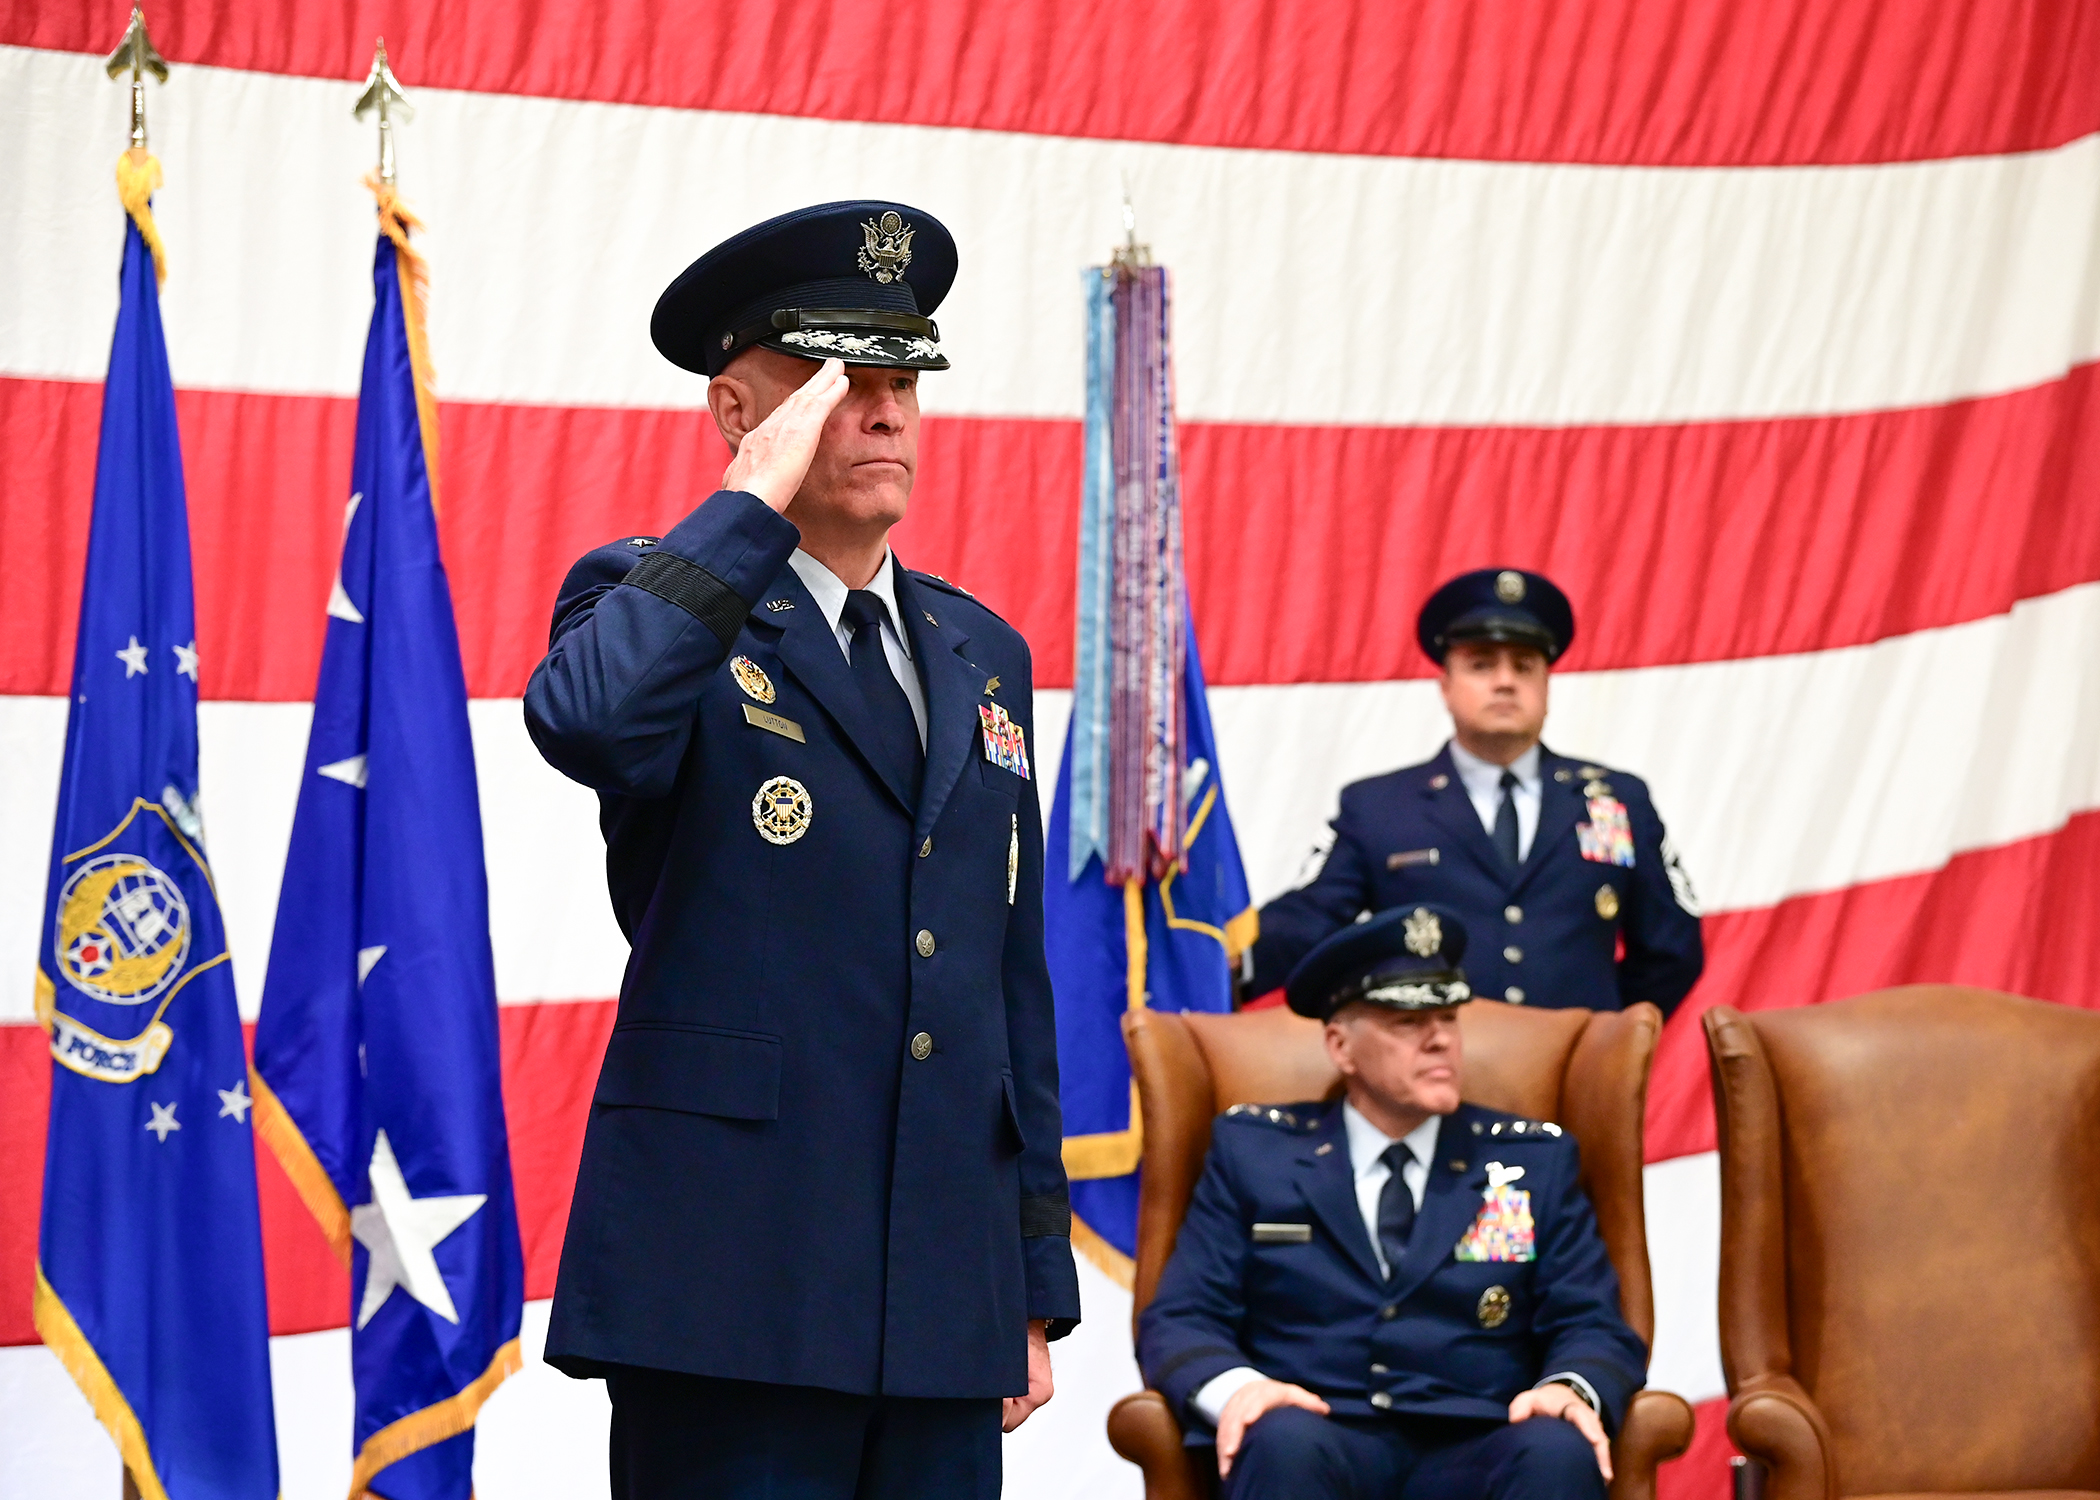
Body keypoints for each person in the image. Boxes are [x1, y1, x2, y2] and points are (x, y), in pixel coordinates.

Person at [522, 201, 1079, 1500]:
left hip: (944, 1283)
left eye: (903, 381)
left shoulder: (981, 652)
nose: (883, 410)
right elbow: (588, 718)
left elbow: (1010, 978)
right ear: (739, 411)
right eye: (840, 379)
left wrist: (1031, 1276)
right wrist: (745, 507)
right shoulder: (654, 598)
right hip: (735, 1276)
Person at [1140, 905, 1649, 1499]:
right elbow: (1182, 1317)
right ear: (1340, 1045)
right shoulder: (1255, 1153)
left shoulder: (1533, 1163)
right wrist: (1242, 1392)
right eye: (1407, 1021)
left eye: (1449, 1017)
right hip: (1316, 1434)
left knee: (1557, 1449)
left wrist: (1569, 1389)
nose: (1440, 1039)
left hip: (1480, 1437)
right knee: (1279, 1441)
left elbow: (1592, 1321)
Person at [1249, 569, 1703, 1016]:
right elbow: (1307, 921)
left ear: (1546, 685)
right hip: (1438, 1075)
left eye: (1524, 666)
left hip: (1578, 1072)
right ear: (1445, 686)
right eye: (1481, 664)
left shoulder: (1616, 800)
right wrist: (1211, 959)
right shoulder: (1378, 808)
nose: (1505, 681)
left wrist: (1607, 1038)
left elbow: (1672, 948)